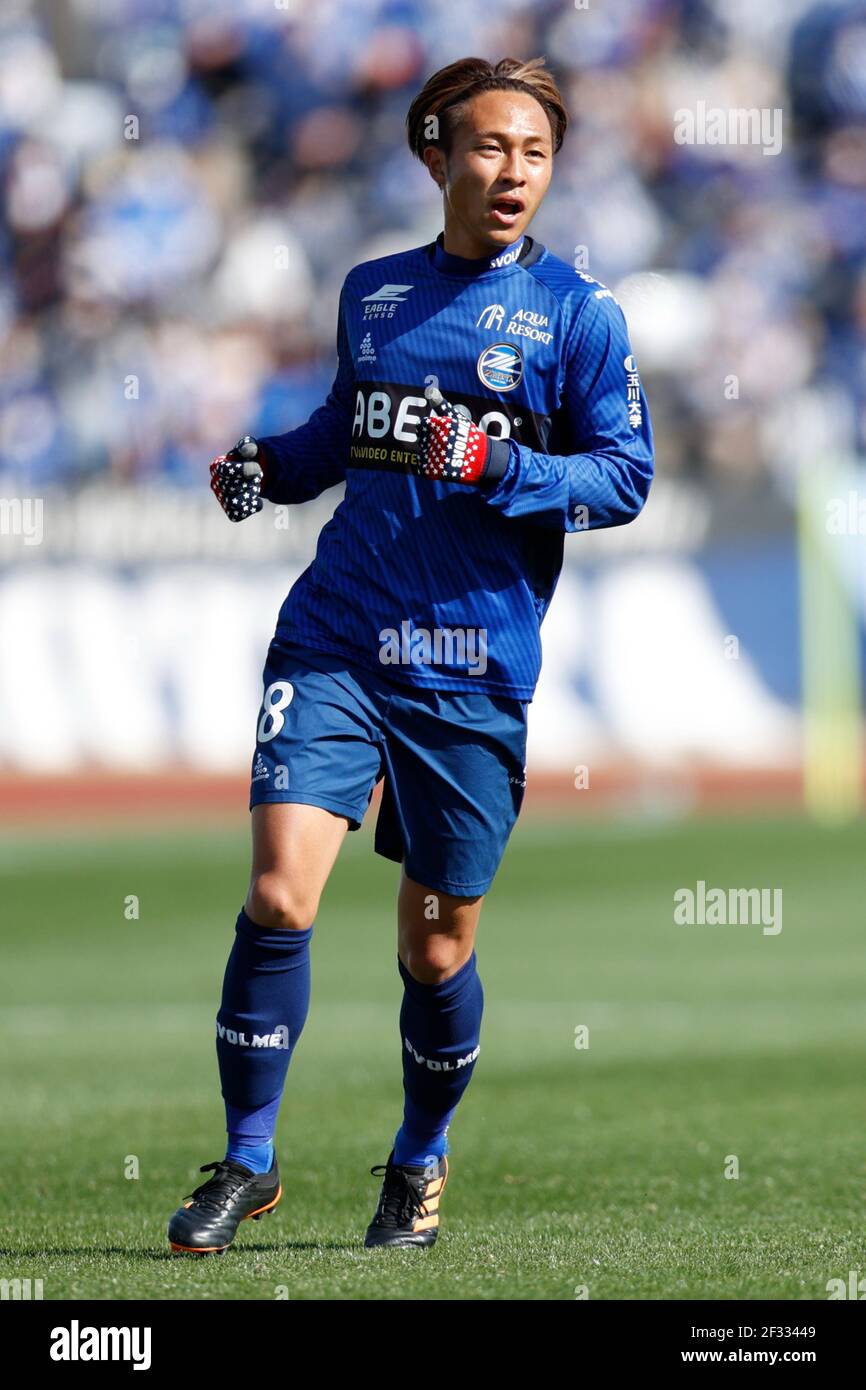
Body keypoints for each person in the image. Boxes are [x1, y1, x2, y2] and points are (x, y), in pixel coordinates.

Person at [167, 54, 654, 1255]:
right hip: (336, 635)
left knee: (433, 944)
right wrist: (264, 469)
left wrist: (498, 466)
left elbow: (623, 478)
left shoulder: (578, 317)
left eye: (534, 154)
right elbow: (347, 430)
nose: (512, 173)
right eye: (490, 147)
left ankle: (418, 1161)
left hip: (469, 666)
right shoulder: (374, 292)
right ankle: (247, 1160)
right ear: (434, 153)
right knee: (279, 890)